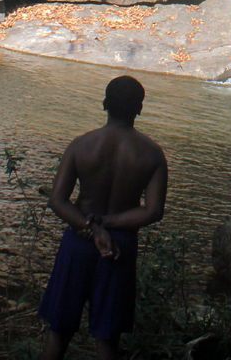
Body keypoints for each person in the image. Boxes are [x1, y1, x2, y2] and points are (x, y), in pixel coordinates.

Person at [37, 75, 168, 360]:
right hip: (119, 246)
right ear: (140, 108)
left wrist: (92, 226)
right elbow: (152, 211)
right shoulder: (153, 155)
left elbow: (57, 200)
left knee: (58, 336)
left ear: (104, 104)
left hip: (79, 239)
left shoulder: (81, 145)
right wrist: (107, 226)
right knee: (107, 341)